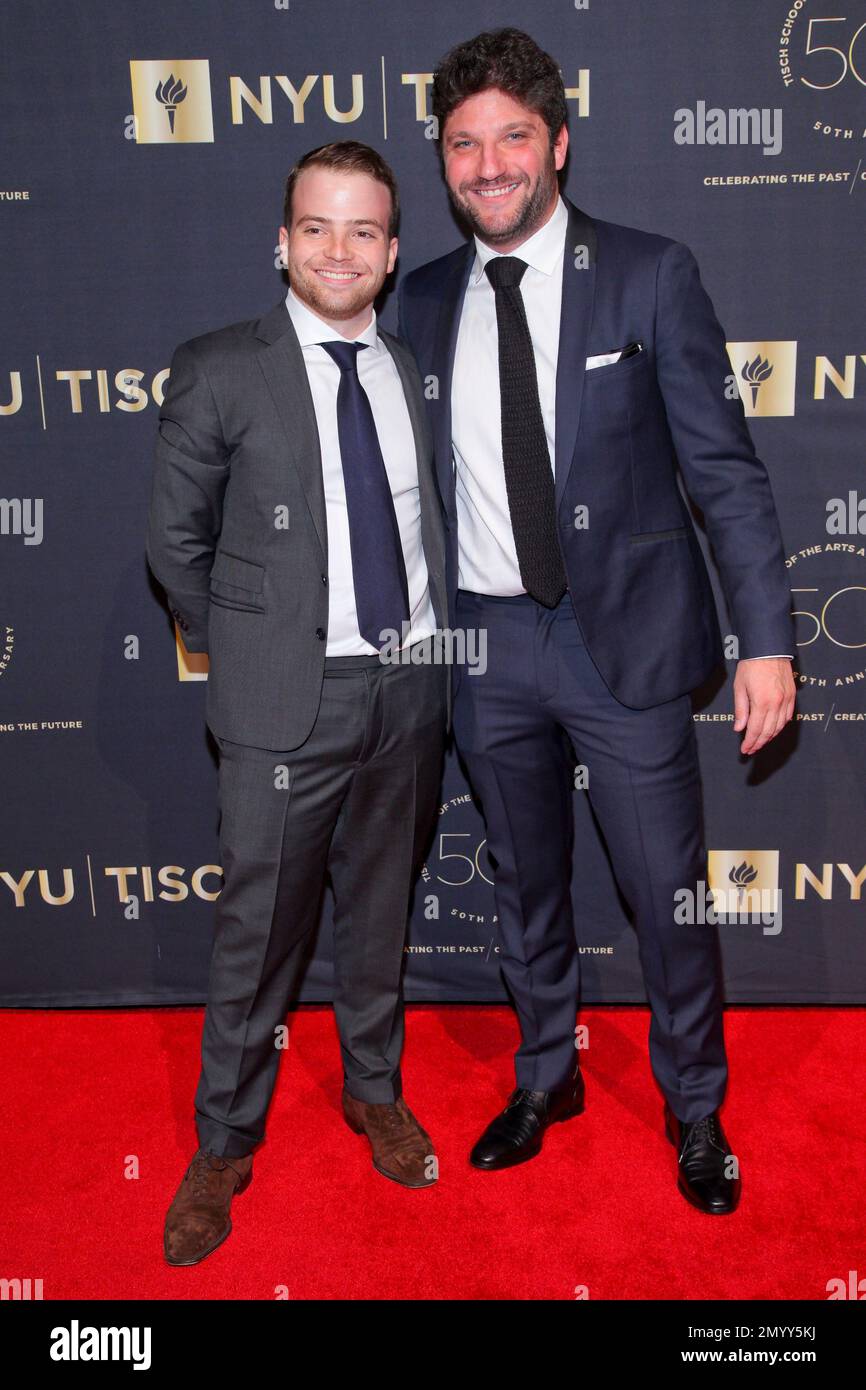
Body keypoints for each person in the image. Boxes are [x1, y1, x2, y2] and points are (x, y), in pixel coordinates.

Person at [398, 29, 796, 1214]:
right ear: (444, 162)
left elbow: (723, 470)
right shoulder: (416, 299)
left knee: (664, 892)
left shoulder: (649, 273)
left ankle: (692, 1105)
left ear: (557, 142)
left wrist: (766, 637)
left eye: (510, 136)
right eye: (463, 143)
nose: (487, 163)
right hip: (483, 647)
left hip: (619, 645)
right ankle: (542, 1076)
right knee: (523, 883)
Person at [146, 140, 449, 1266]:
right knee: (255, 941)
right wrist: (253, 656)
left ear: (391, 248)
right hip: (285, 704)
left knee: (380, 917)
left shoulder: (411, 371)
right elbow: (173, 547)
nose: (338, 249)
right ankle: (223, 1142)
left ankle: (373, 1088)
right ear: (280, 242)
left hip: (409, 691)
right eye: (316, 227)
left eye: (362, 229)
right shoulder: (220, 367)